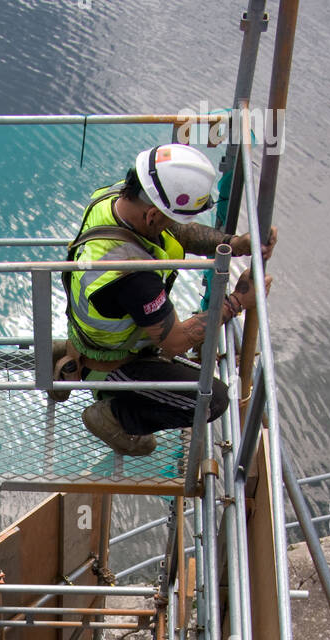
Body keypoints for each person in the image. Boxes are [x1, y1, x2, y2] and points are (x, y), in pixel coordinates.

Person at [52, 143, 276, 456]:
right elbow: (176, 341)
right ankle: (113, 415)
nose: (174, 226)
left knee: (180, 359)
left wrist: (233, 244)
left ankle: (69, 356)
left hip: (95, 337)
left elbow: (180, 233)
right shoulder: (132, 273)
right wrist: (237, 302)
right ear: (154, 214)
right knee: (213, 399)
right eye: (169, 219)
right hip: (116, 360)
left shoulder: (117, 198)